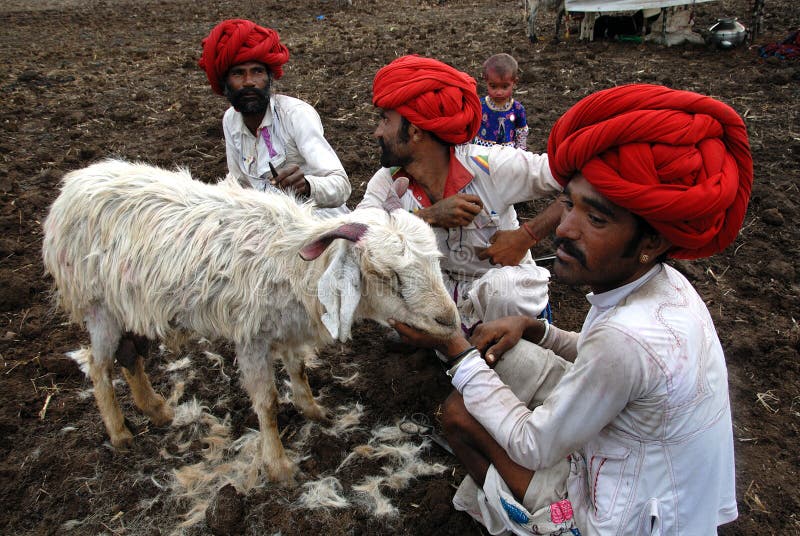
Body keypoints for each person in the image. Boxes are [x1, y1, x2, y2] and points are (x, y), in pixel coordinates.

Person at [392, 83, 752, 534]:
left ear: (652, 241)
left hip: (613, 516)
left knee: (460, 414)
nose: (564, 228)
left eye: (595, 219)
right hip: (642, 465)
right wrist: (535, 328)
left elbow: (533, 445)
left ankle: (545, 524)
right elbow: (608, 363)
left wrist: (452, 345)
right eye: (570, 206)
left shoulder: (626, 339)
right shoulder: (663, 286)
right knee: (510, 356)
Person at [357, 55, 563, 333]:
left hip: (501, 292)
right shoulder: (387, 180)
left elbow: (581, 176)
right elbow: (356, 236)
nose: (376, 132)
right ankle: (453, 341)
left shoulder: (490, 165)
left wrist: (527, 236)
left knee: (502, 290)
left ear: (415, 131)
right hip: (440, 295)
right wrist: (425, 217)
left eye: (384, 120)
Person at [199, 19, 350, 212]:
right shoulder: (230, 120)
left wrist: (307, 186)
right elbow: (238, 184)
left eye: (257, 72)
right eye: (238, 74)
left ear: (269, 78)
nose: (249, 82)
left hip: (315, 225)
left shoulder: (295, 115)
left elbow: (341, 185)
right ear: (225, 82)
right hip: (265, 227)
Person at [472, 53, 529, 151]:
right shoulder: (480, 105)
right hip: (483, 153)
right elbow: (470, 128)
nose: (499, 92)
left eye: (504, 87)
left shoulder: (517, 109)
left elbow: (521, 133)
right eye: (493, 86)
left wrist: (521, 154)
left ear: (514, 82)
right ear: (486, 81)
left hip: (507, 155)